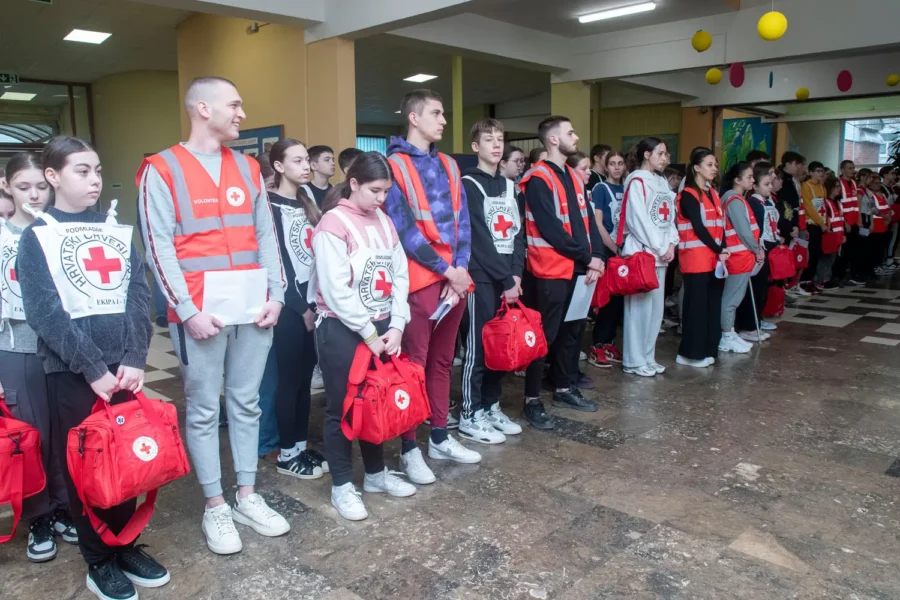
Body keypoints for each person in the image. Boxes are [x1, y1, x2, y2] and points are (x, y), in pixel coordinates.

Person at [138, 76, 290, 556]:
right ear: (203, 108)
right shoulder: (161, 169)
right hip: (201, 314)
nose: (242, 113)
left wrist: (277, 294)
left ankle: (247, 494)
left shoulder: (248, 167)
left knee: (246, 404)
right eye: (235, 105)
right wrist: (185, 311)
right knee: (204, 410)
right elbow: (157, 245)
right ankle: (215, 505)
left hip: (253, 308)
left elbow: (267, 236)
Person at [17, 136, 169, 599]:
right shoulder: (37, 235)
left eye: (98, 170)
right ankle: (99, 558)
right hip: (75, 374)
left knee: (127, 459)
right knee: (88, 468)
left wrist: (132, 357)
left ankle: (125, 543)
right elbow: (46, 315)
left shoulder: (112, 228)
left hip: (121, 370)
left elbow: (138, 294)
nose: (94, 180)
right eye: (82, 171)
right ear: (52, 176)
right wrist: (92, 368)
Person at [309, 152, 417, 521]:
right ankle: (342, 485)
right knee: (342, 407)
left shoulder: (384, 221)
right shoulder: (332, 224)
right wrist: (371, 334)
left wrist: (398, 324)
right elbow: (336, 290)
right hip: (343, 329)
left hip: (383, 326)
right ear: (353, 183)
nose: (381, 200)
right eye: (374, 190)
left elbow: (399, 273)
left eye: (386, 192)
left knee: (376, 401)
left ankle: (375, 475)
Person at [383, 89, 480, 484]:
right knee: (413, 367)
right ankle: (410, 449)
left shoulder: (450, 165)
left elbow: (464, 223)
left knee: (443, 363)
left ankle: (439, 436)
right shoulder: (393, 166)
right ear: (414, 118)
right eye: (436, 114)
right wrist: (447, 271)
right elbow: (404, 229)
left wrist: (459, 271)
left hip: (454, 281)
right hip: (421, 281)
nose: (442, 121)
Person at [0, 152, 77, 564]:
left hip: (64, 351)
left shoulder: (61, 233)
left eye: (41, 187)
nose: (33, 195)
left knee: (67, 437)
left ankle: (66, 505)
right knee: (31, 439)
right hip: (17, 351)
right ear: (6, 186)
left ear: (52, 184)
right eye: (22, 186)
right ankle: (38, 516)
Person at [519, 116, 603, 427]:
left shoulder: (573, 175)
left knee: (572, 333)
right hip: (551, 271)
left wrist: (598, 256)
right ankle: (531, 400)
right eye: (570, 132)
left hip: (580, 268)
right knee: (544, 338)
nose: (576, 136)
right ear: (553, 139)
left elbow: (587, 222)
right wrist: (587, 257)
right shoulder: (538, 178)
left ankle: (564, 387)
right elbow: (552, 230)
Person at [457, 119, 525, 444]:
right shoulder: (467, 184)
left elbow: (518, 235)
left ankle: (490, 405)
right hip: (481, 279)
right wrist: (503, 276)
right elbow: (478, 238)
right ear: (475, 147)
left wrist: (515, 275)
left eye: (500, 139)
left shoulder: (512, 186)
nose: (496, 145)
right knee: (478, 347)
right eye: (489, 140)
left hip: (507, 279)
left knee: (502, 344)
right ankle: (469, 414)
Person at [267, 139, 329, 478]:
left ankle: (301, 447)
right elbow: (276, 264)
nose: (306, 166)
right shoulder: (268, 206)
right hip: (290, 310)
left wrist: (316, 303)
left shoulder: (307, 202)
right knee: (289, 382)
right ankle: (286, 453)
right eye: (297, 161)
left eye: (307, 160)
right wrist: (299, 306)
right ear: (279, 166)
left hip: (313, 303)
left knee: (305, 380)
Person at [619, 138, 678, 377]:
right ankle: (634, 360)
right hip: (643, 252)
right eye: (660, 153)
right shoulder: (636, 181)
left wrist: (672, 242)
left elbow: (669, 217)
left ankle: (648, 356)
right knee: (639, 309)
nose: (665, 158)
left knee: (656, 309)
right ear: (646, 155)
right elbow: (638, 220)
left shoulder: (661, 181)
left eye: (667, 154)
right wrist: (658, 245)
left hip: (661, 253)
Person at [675, 147, 726, 368]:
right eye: (709, 164)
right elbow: (698, 226)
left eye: (715, 165)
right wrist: (718, 248)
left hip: (714, 259)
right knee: (696, 308)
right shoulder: (688, 194)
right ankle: (689, 354)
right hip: (696, 259)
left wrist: (721, 248)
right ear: (696, 167)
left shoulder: (712, 193)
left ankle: (708, 348)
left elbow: (719, 225)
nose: (714, 168)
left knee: (712, 307)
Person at [588, 151, 626, 369]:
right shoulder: (601, 188)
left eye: (620, 163)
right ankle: (597, 345)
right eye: (612, 163)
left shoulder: (627, 187)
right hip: (609, 249)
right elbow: (599, 223)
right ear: (606, 165)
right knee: (606, 301)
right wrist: (613, 248)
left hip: (624, 250)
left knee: (619, 302)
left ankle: (610, 342)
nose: (617, 168)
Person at [719, 162, 762, 354]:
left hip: (742, 256)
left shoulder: (738, 199)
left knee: (734, 298)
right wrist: (756, 248)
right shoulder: (734, 201)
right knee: (731, 300)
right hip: (738, 256)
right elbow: (744, 231)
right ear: (737, 180)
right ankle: (726, 335)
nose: (753, 180)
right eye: (749, 177)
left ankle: (730, 332)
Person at [736, 162, 776, 340]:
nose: (770, 187)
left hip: (765, 250)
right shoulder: (752, 203)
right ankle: (748, 326)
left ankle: (756, 321)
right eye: (766, 184)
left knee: (762, 289)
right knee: (754, 289)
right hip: (756, 251)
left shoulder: (766, 202)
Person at [833, 160, 863, 286]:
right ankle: (838, 277)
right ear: (843, 169)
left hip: (854, 221)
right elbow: (839, 204)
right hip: (844, 223)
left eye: (853, 168)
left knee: (852, 251)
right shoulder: (839, 183)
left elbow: (856, 204)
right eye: (849, 168)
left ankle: (848, 275)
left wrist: (859, 219)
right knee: (843, 252)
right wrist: (845, 222)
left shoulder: (854, 184)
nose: (852, 170)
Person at [800, 161, 827, 291]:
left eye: (822, 171)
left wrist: (825, 222)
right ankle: (804, 281)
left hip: (821, 224)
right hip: (811, 224)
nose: (820, 173)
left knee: (817, 254)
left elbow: (824, 206)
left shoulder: (822, 187)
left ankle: (811, 280)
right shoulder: (806, 186)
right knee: (810, 254)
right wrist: (821, 222)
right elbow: (808, 206)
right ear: (810, 173)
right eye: (817, 171)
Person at [816, 176, 845, 288]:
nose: (839, 189)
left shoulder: (838, 203)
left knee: (832, 260)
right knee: (825, 260)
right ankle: (822, 280)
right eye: (836, 187)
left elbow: (840, 221)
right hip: (829, 236)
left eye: (839, 187)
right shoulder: (826, 203)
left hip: (838, 236)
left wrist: (842, 236)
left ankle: (827, 279)